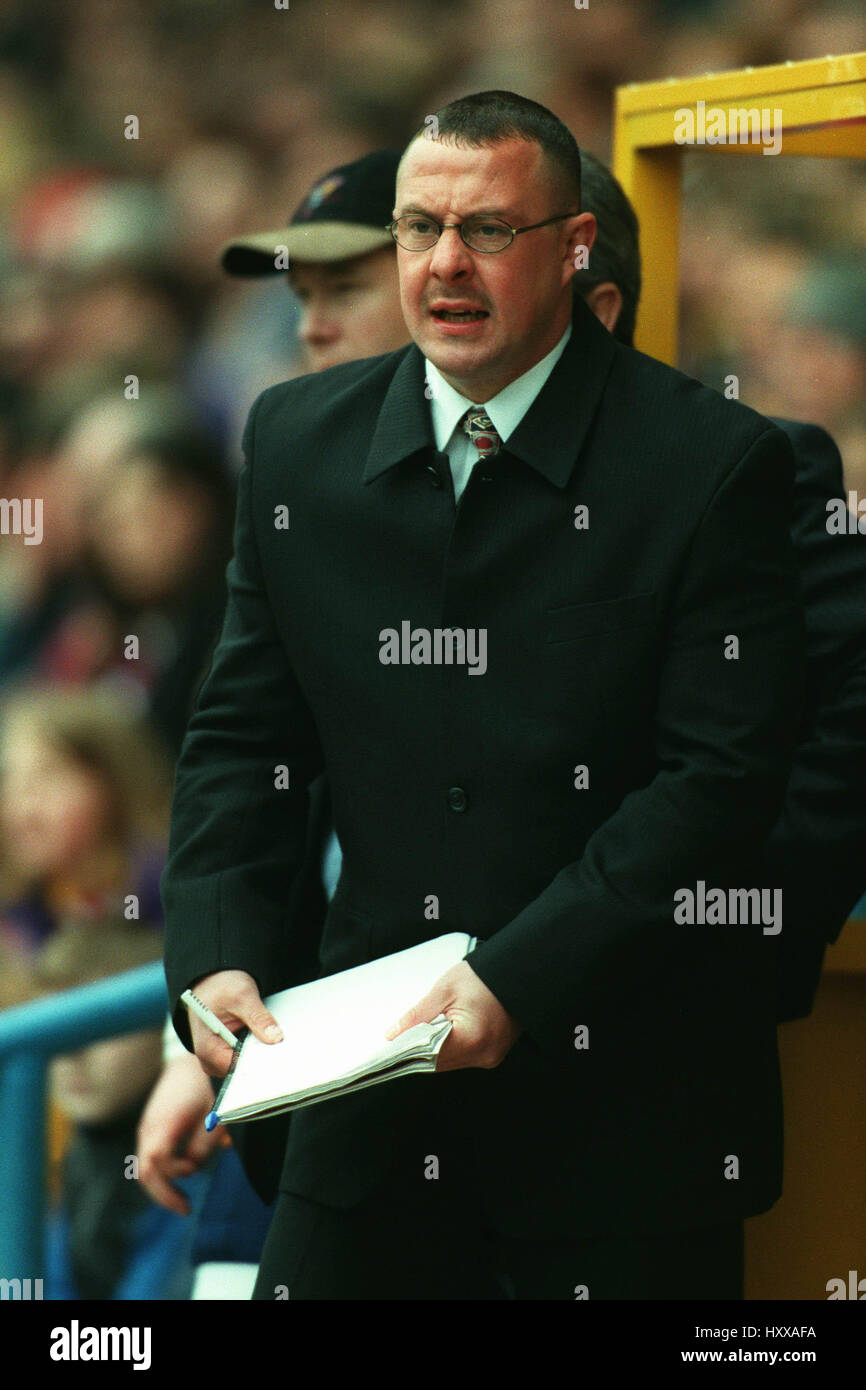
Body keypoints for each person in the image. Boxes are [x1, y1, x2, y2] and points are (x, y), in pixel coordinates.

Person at [162, 91, 805, 1300]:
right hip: (361, 1129)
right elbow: (244, 742)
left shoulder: (711, 464)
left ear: (573, 250)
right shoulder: (297, 439)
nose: (445, 263)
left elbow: (719, 777)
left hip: (624, 1144)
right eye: (417, 229)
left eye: (489, 231)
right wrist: (214, 957)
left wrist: (520, 978)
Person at [138, 150, 410, 1298]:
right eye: (299, 299)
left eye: (345, 287)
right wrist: (188, 1028)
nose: (311, 326)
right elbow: (240, 772)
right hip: (277, 1064)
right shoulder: (295, 488)